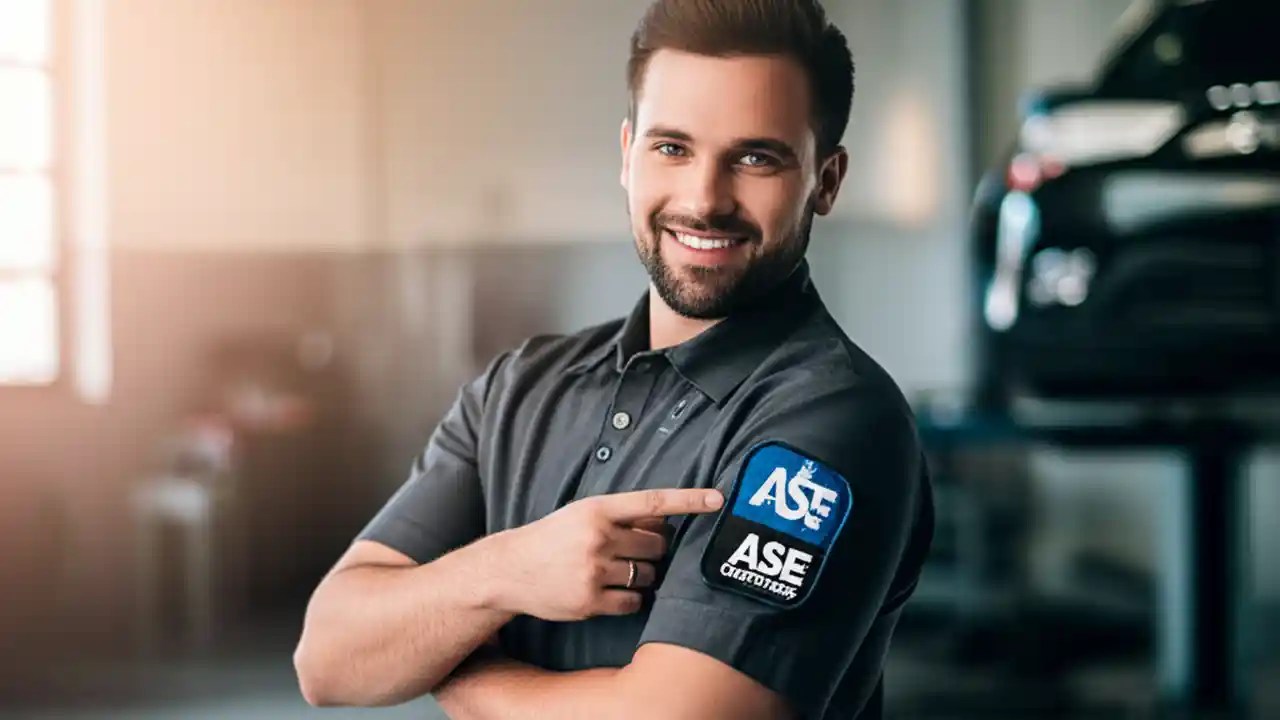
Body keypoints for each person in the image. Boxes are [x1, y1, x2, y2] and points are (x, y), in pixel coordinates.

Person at [293, 1, 933, 717]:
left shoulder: (833, 419)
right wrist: (507, 569)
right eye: (671, 148)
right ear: (626, 155)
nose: (703, 198)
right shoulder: (519, 389)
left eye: (756, 157)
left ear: (827, 180)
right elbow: (328, 658)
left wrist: (452, 667)